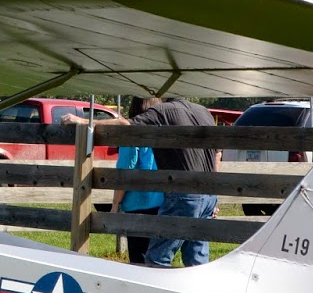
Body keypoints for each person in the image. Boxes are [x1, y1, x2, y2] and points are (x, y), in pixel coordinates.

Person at [73, 95, 219, 266]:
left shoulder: (163, 110)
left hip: (183, 194)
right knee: (197, 259)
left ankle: (154, 292)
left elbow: (126, 126)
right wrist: (215, 193)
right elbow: (217, 153)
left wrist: (84, 121)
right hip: (208, 194)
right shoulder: (203, 112)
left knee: (157, 258)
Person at [111, 98, 166, 264]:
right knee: (156, 255)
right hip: (162, 202)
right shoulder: (164, 133)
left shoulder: (133, 134)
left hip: (138, 203)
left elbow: (124, 172)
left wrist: (115, 203)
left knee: (138, 257)